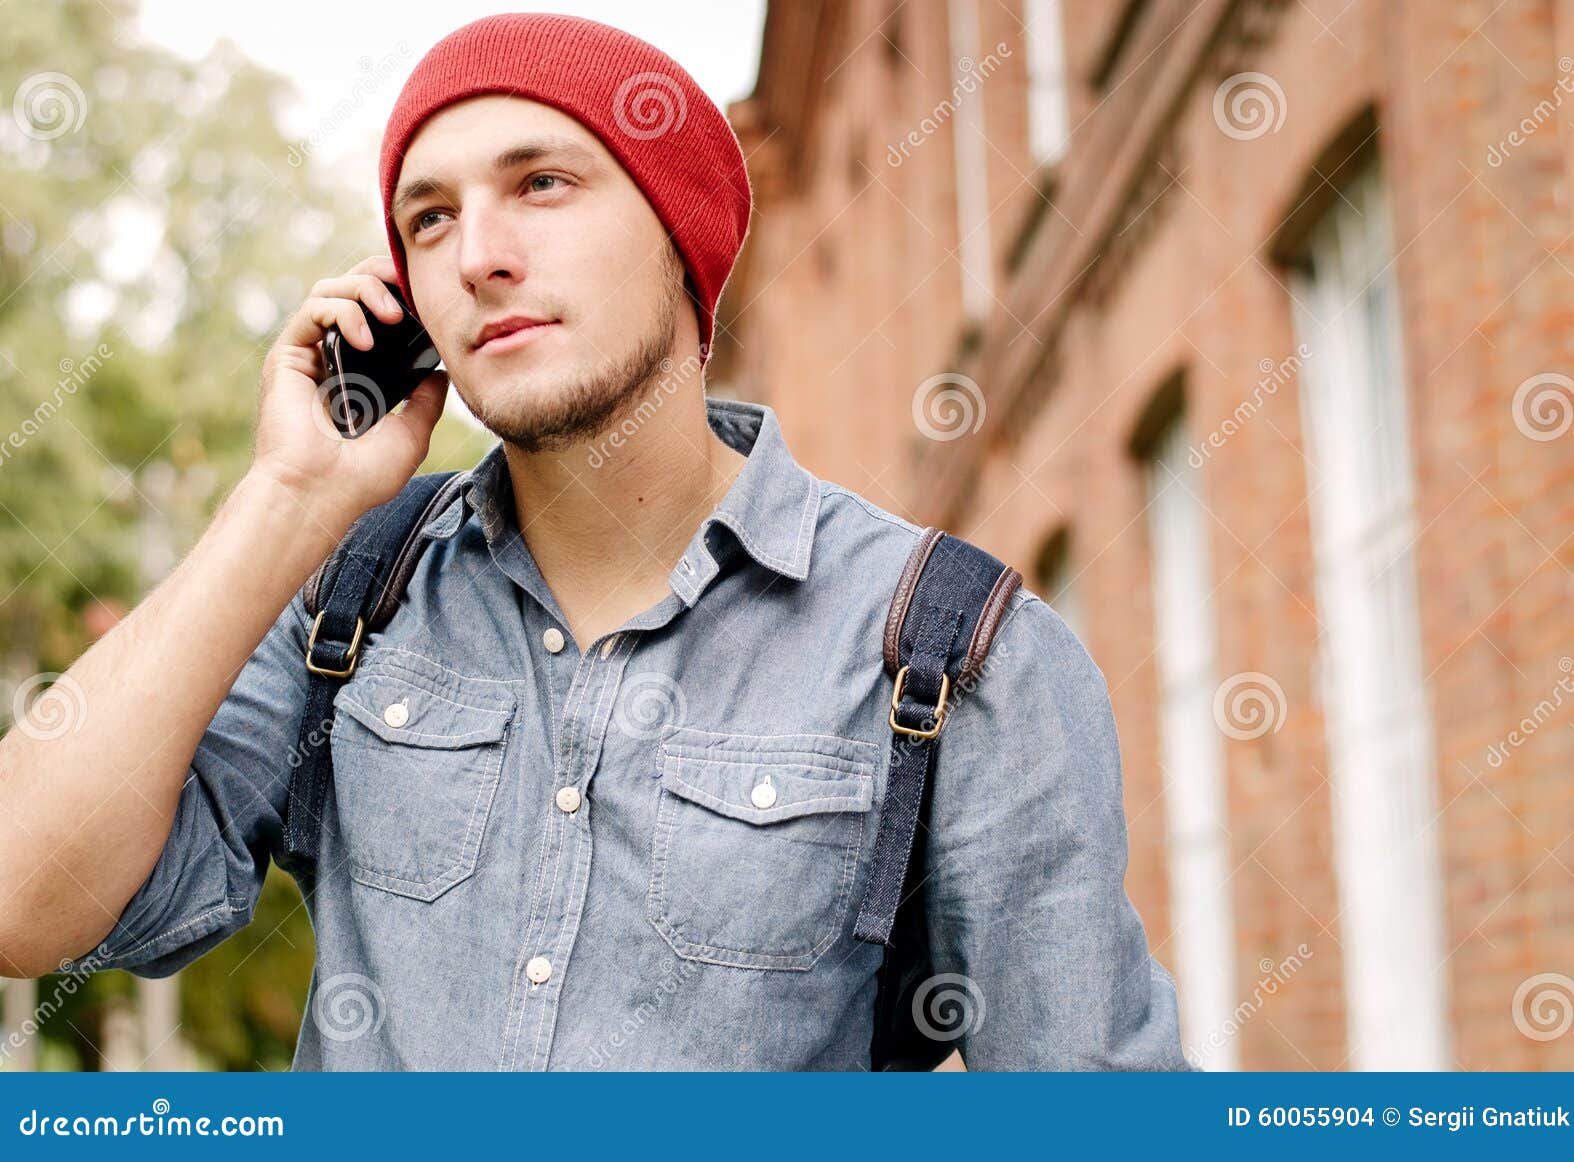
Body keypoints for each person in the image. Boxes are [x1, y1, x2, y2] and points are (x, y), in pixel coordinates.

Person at [0, 12, 1191, 1071]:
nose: (477, 255)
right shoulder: (354, 595)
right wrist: (289, 494)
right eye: (430, 218)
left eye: (542, 184)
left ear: (681, 239)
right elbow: (23, 897)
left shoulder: (950, 646)